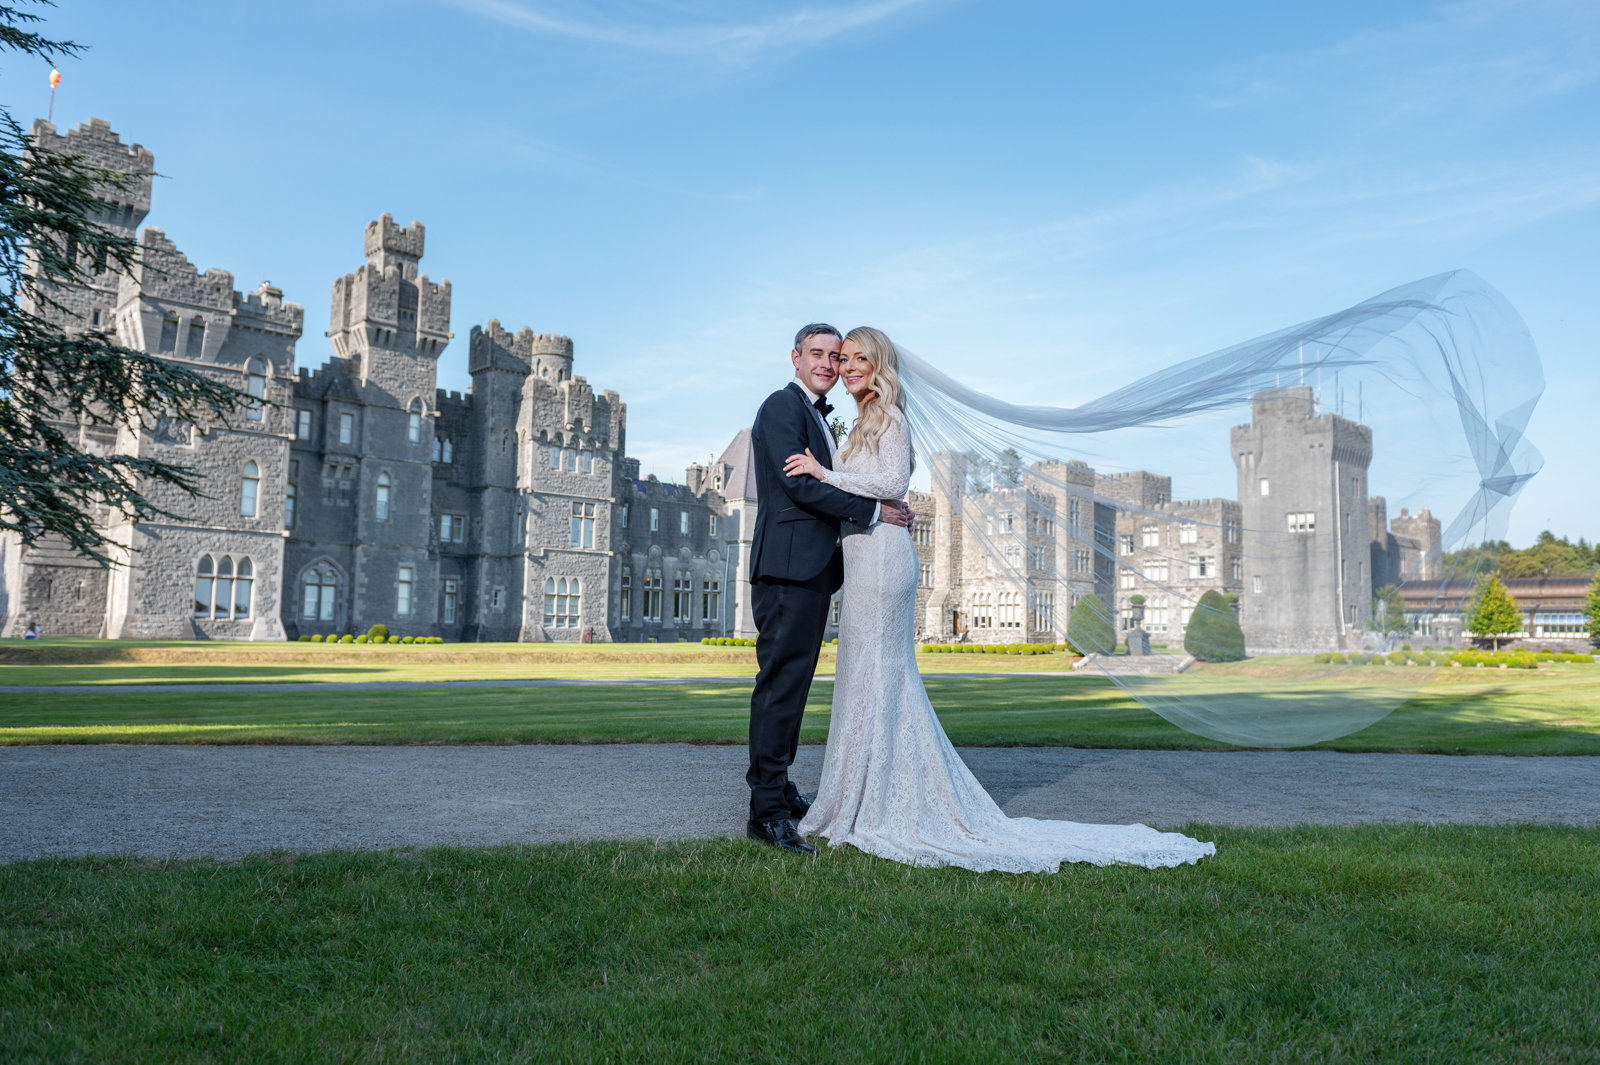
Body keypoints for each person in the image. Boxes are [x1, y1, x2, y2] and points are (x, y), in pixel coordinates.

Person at [782, 326, 1214, 872]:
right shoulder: (861, 423)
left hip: (885, 558)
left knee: (880, 670)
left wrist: (823, 471)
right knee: (863, 672)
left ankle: (885, 802)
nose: (847, 368)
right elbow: (875, 490)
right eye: (843, 359)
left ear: (880, 365)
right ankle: (859, 794)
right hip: (866, 553)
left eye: (859, 359)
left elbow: (892, 480)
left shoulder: (890, 418)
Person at [745, 323, 913, 854]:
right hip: (789, 570)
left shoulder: (823, 417)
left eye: (835, 355)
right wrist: (872, 511)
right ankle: (766, 811)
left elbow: (825, 477)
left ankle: (780, 786)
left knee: (793, 687)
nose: (828, 363)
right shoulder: (782, 407)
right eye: (817, 353)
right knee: (780, 688)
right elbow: (799, 484)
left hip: (813, 570)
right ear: (795, 357)